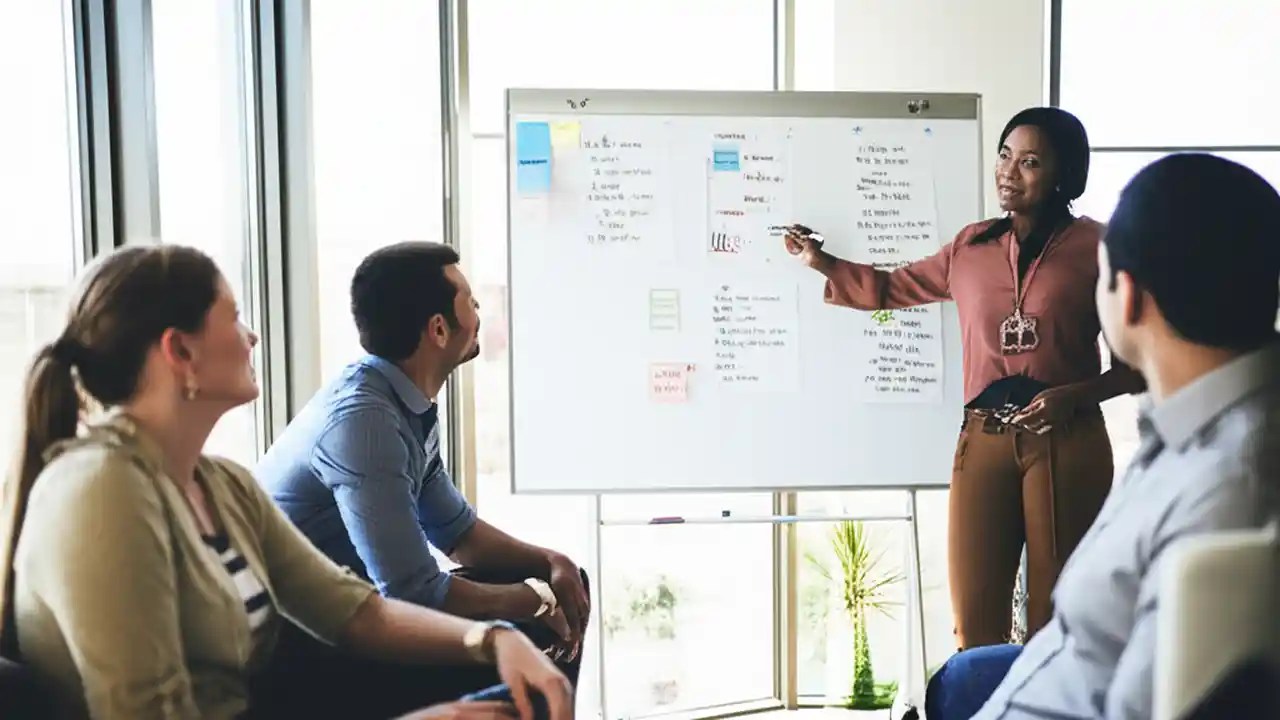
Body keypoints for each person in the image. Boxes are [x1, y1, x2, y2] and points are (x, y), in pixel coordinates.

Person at [0, 245, 571, 720]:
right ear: (180, 351)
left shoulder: (220, 484)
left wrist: (495, 639)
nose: (251, 337)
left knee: (527, 698)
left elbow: (358, 614)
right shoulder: (100, 492)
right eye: (233, 318)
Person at [926, 153, 1280, 718]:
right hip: (1065, 665)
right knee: (961, 676)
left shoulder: (1226, 485)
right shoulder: (1194, 432)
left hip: (1071, 695)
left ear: (1127, 296)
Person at [785, 107, 1145, 648]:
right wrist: (822, 262)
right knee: (974, 624)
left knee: (1056, 620)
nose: (1008, 172)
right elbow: (891, 288)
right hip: (983, 439)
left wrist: (1073, 396)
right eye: (1004, 155)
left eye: (1029, 162)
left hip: (1066, 440)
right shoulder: (970, 247)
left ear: (1064, 175)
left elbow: (1134, 368)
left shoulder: (1099, 247)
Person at [256, 241, 591, 701]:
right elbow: (412, 594)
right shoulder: (366, 422)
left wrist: (550, 563)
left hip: (359, 609)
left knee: (569, 584)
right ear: (438, 329)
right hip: (302, 644)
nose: (478, 310)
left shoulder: (400, 403)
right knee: (526, 628)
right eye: (469, 301)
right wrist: (534, 601)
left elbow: (459, 534)